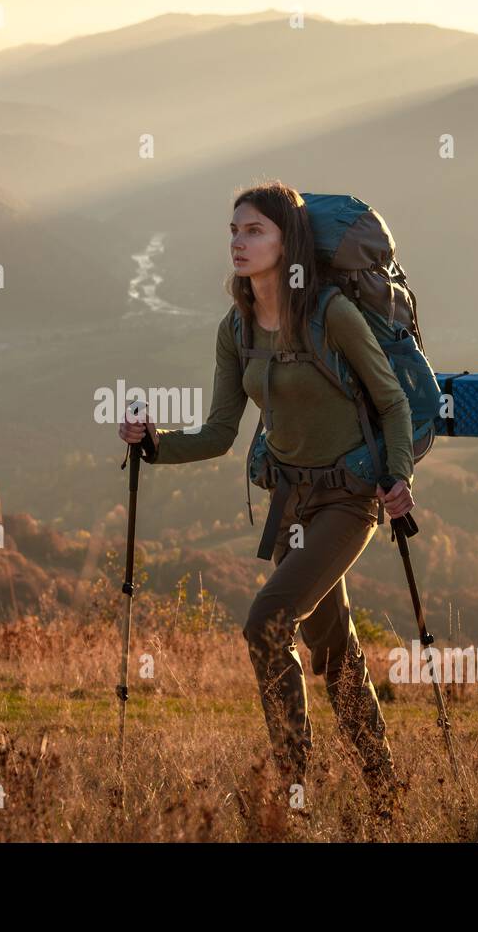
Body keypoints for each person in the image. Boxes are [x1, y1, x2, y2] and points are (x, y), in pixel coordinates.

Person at [117, 180, 415, 808]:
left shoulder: (330, 312)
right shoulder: (238, 327)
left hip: (347, 500)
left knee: (267, 624)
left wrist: (400, 477)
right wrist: (152, 443)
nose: (239, 242)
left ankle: (293, 789)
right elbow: (221, 432)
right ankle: (386, 789)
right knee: (334, 650)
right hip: (289, 505)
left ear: (289, 242)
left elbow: (389, 399)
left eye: (255, 231)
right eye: (233, 230)